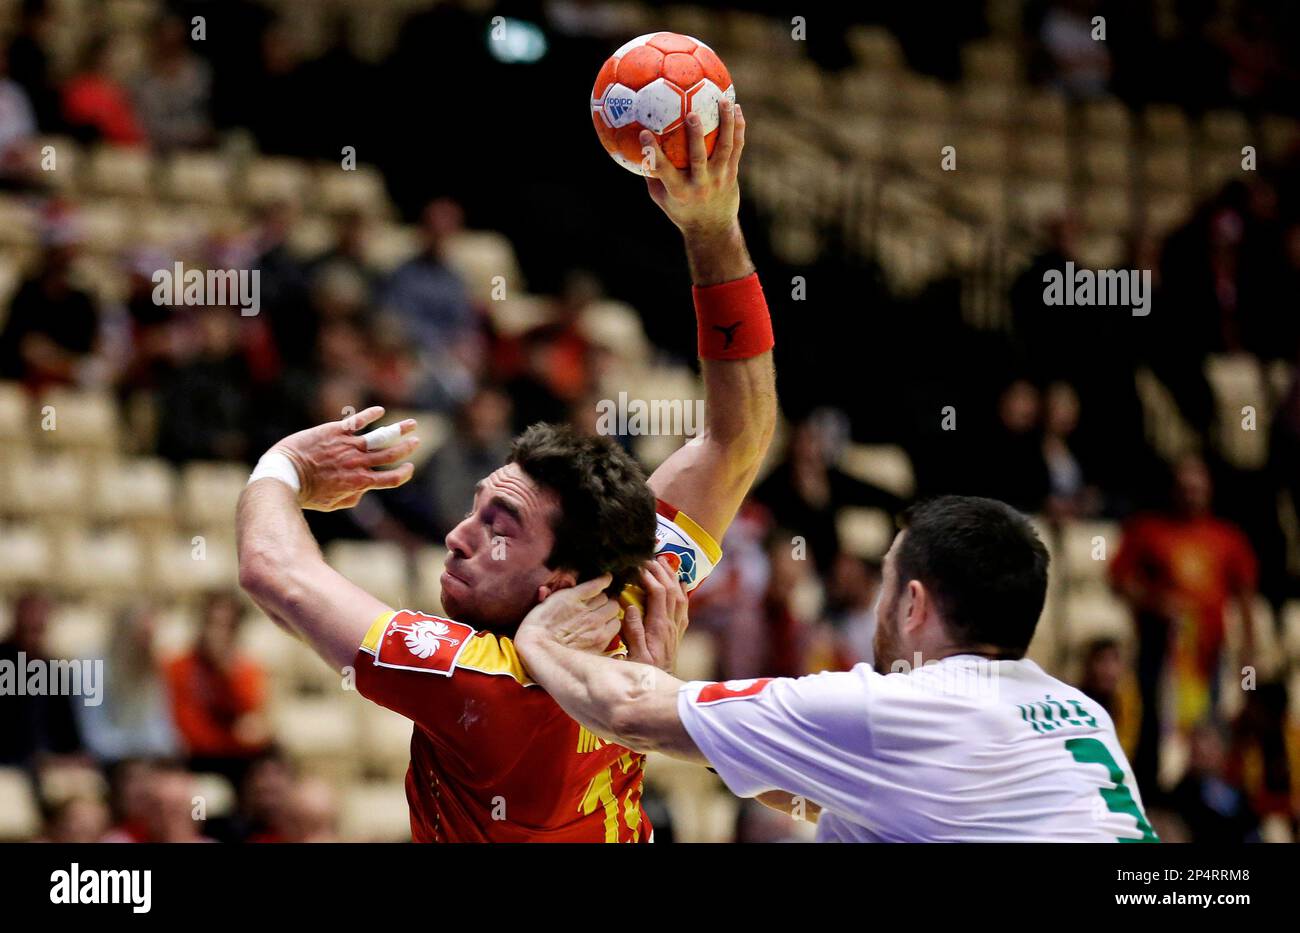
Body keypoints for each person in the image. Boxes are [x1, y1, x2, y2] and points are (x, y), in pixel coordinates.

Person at [236, 100, 777, 842]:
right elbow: (739, 434)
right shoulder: (624, 592)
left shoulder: (483, 678)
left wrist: (285, 464)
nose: (458, 536)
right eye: (477, 505)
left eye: (499, 527)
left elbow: (274, 570)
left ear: (557, 579)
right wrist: (713, 229)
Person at [512, 496, 1159, 842]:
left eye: (885, 581)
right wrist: (716, 734)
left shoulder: (898, 709)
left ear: (912, 602)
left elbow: (625, 709)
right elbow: (827, 798)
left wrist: (536, 636)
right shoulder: (1079, 710)